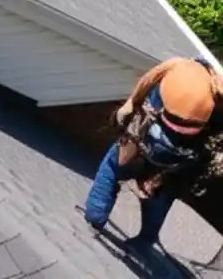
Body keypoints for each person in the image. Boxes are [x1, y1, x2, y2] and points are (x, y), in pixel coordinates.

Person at [84, 56, 223, 248]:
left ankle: (95, 216)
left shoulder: (176, 66)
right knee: (163, 194)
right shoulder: (217, 99)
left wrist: (128, 107)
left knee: (113, 166)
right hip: (176, 161)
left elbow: (144, 85)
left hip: (143, 141)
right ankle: (145, 240)